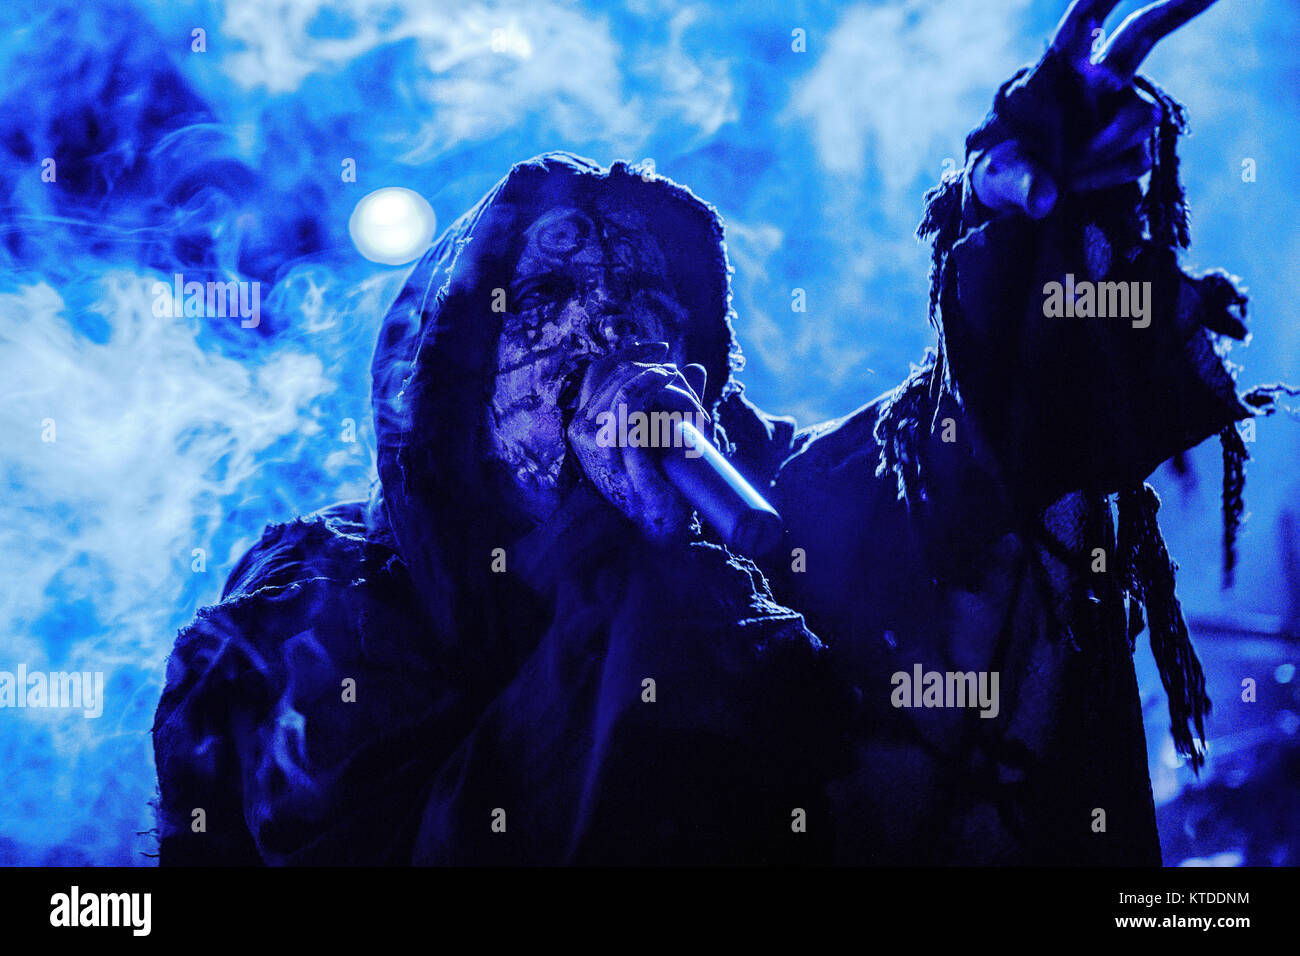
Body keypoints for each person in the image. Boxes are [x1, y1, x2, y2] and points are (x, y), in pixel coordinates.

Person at [154, 0, 1260, 864]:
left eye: (649, 304)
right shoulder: (325, 604)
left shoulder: (764, 499)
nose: (609, 328)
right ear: (451, 379)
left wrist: (1040, 228)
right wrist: (621, 563)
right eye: (546, 297)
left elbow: (973, 449)